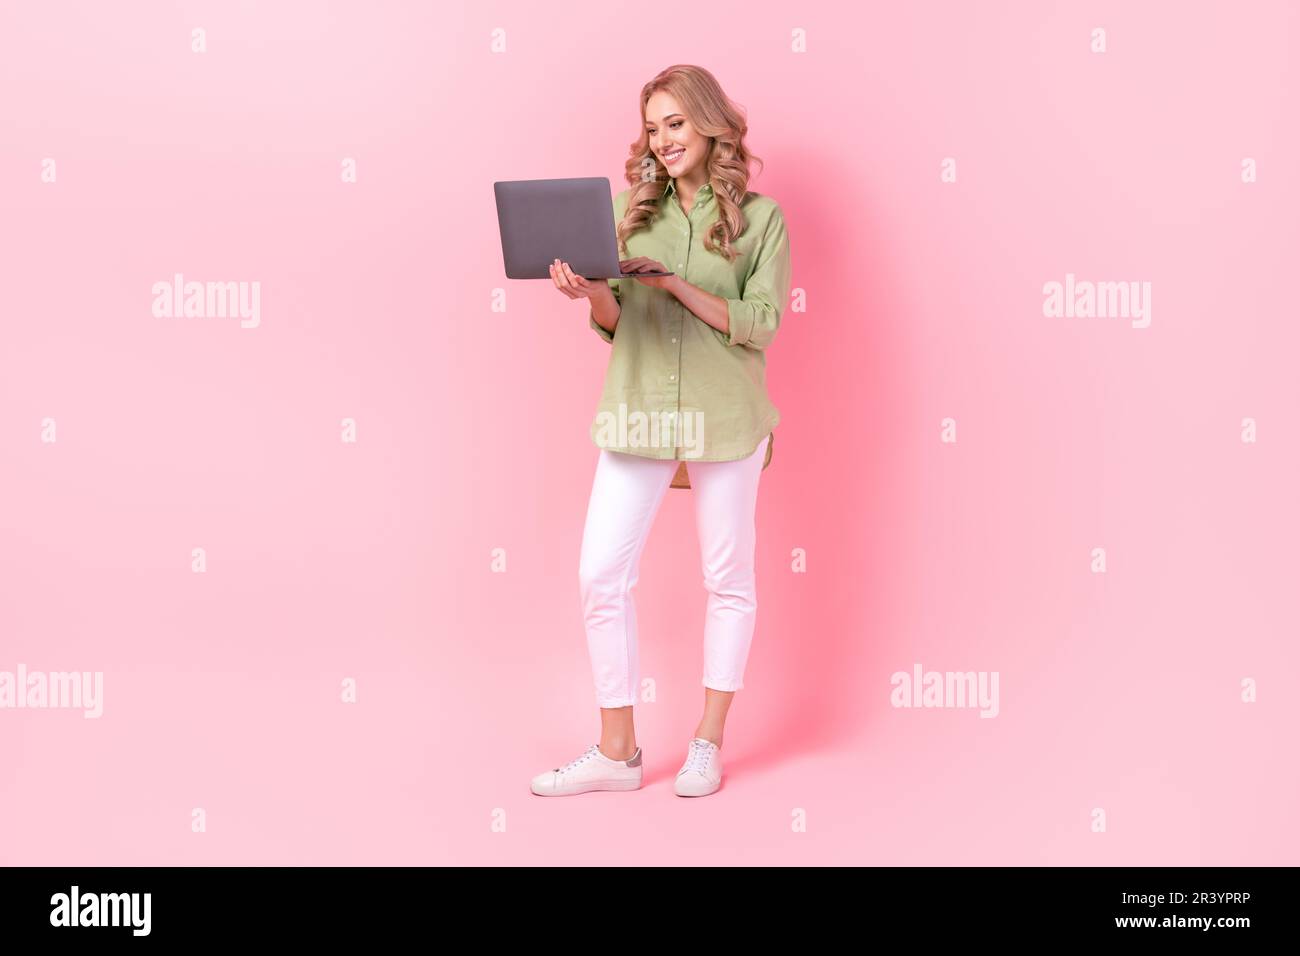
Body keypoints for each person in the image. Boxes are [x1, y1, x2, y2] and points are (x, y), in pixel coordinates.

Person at [530, 64, 791, 798]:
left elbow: (762, 322)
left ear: (710, 126)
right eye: (652, 128)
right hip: (637, 407)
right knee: (600, 575)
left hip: (726, 415)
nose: (663, 140)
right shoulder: (628, 211)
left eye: (676, 123)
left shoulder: (762, 218)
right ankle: (617, 752)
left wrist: (675, 284)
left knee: (728, 579)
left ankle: (707, 742)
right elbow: (619, 326)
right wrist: (593, 294)